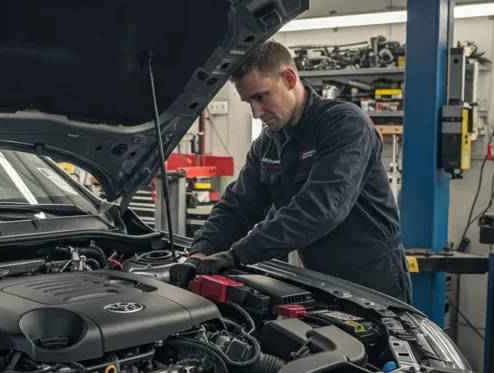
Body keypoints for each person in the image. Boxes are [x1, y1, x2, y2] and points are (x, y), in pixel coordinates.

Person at [170, 40, 412, 304]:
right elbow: (237, 207)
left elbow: (320, 209)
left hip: (372, 281)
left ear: (289, 78)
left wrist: (236, 255)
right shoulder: (267, 144)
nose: (256, 112)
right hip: (320, 281)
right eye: (249, 101)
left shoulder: (344, 125)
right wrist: (200, 253)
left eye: (261, 96)